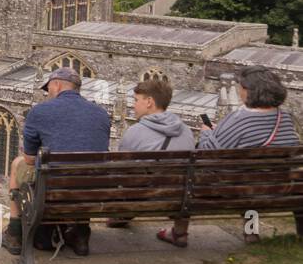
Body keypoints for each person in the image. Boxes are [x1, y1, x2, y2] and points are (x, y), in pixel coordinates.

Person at [159, 66, 300, 247]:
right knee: (255, 175)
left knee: (191, 174)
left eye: (241, 87)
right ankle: (251, 233)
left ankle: (178, 233)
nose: (239, 90)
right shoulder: (286, 118)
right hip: (278, 187)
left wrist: (207, 133)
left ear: (249, 91)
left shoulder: (239, 119)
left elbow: (208, 152)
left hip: (235, 189)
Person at [2, 66, 111, 257]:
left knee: (18, 163)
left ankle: (14, 232)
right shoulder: (102, 114)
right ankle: (80, 232)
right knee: (84, 170)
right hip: (92, 191)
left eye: (49, 89)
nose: (48, 94)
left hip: (53, 191)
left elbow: (29, 158)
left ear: (58, 85)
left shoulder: (40, 112)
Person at [105, 77, 196, 228]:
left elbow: (120, 171)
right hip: (181, 198)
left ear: (149, 102)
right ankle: (180, 232)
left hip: (145, 197)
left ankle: (122, 215)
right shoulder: (186, 131)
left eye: (136, 100)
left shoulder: (135, 131)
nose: (133, 105)